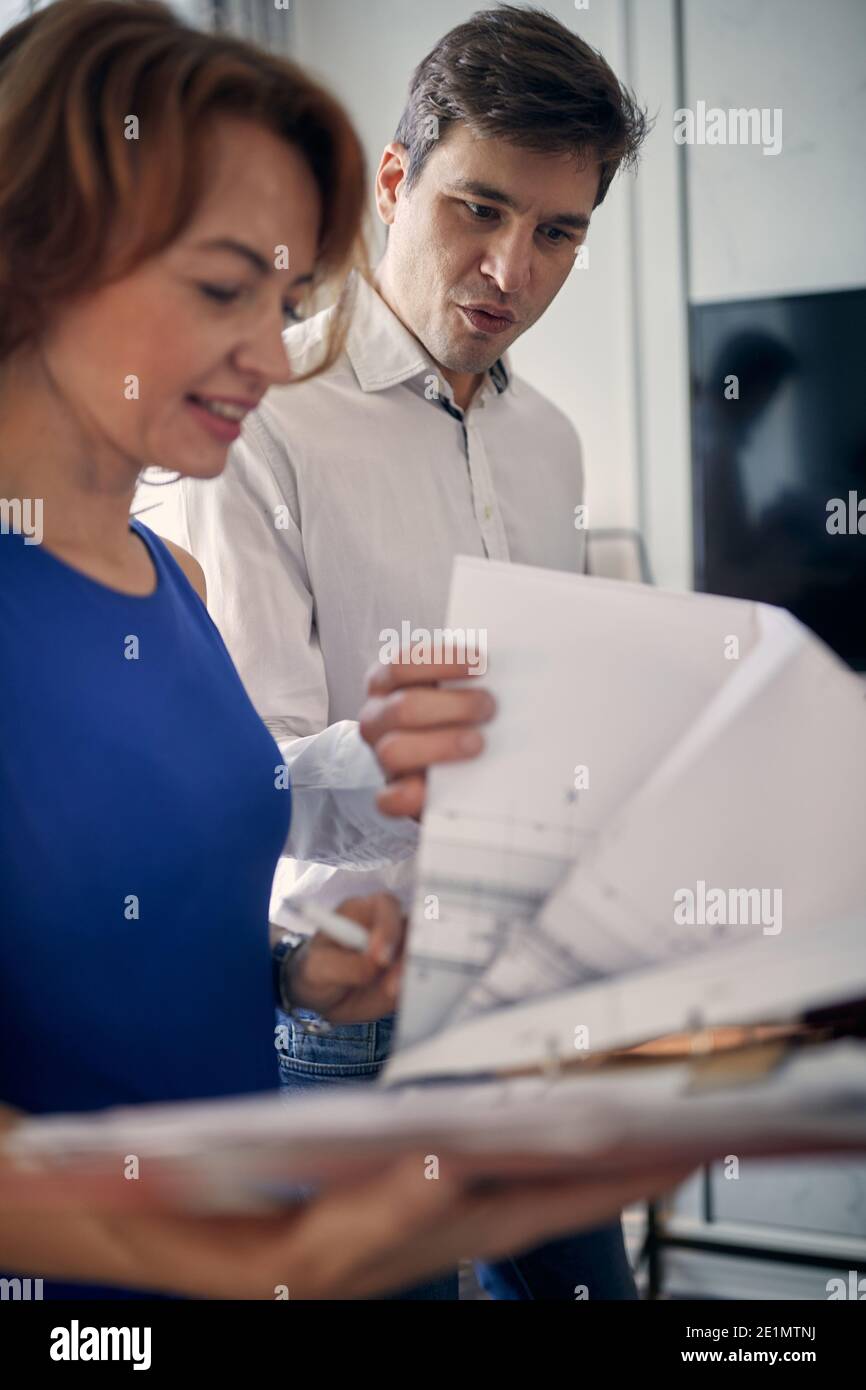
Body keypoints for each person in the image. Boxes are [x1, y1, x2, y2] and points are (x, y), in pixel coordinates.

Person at [0, 0, 686, 1300]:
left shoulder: (163, 582)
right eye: (219, 288)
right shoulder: (246, 448)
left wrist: (293, 967)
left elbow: (159, 901)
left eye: (557, 234)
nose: (271, 350)